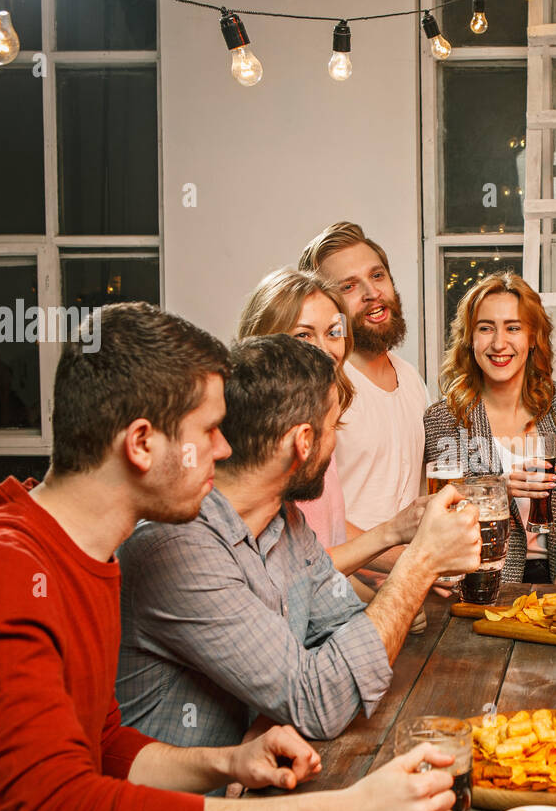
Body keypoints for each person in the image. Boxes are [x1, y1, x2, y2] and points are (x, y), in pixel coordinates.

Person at [0, 303, 460, 811]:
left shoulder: (86, 554)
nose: (226, 448)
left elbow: (103, 746)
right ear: (141, 443)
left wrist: (222, 763)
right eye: (210, 431)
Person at [116, 333, 481, 750]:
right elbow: (321, 699)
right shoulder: (178, 547)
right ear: (303, 442)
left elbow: (341, 627)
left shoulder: (285, 520)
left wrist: (280, 708)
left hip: (259, 783)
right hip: (189, 808)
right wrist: (422, 563)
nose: (337, 443)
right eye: (333, 428)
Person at [236, 267, 433, 601]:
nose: (324, 349)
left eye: (332, 332)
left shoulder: (320, 429)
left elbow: (323, 561)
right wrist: (408, 573)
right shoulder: (267, 446)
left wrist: (374, 600)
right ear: (265, 340)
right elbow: (299, 575)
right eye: (303, 335)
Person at [424, 272, 556, 584]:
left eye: (513, 328)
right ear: (470, 338)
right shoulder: (444, 418)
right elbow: (439, 522)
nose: (499, 344)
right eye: (486, 328)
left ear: (533, 337)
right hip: (477, 584)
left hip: (550, 579)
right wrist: (497, 491)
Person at [299, 222, 430, 544]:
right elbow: (308, 517)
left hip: (411, 580)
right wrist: (407, 562)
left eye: (377, 275)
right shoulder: (318, 389)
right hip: (343, 586)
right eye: (349, 286)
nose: (373, 294)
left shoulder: (411, 377)